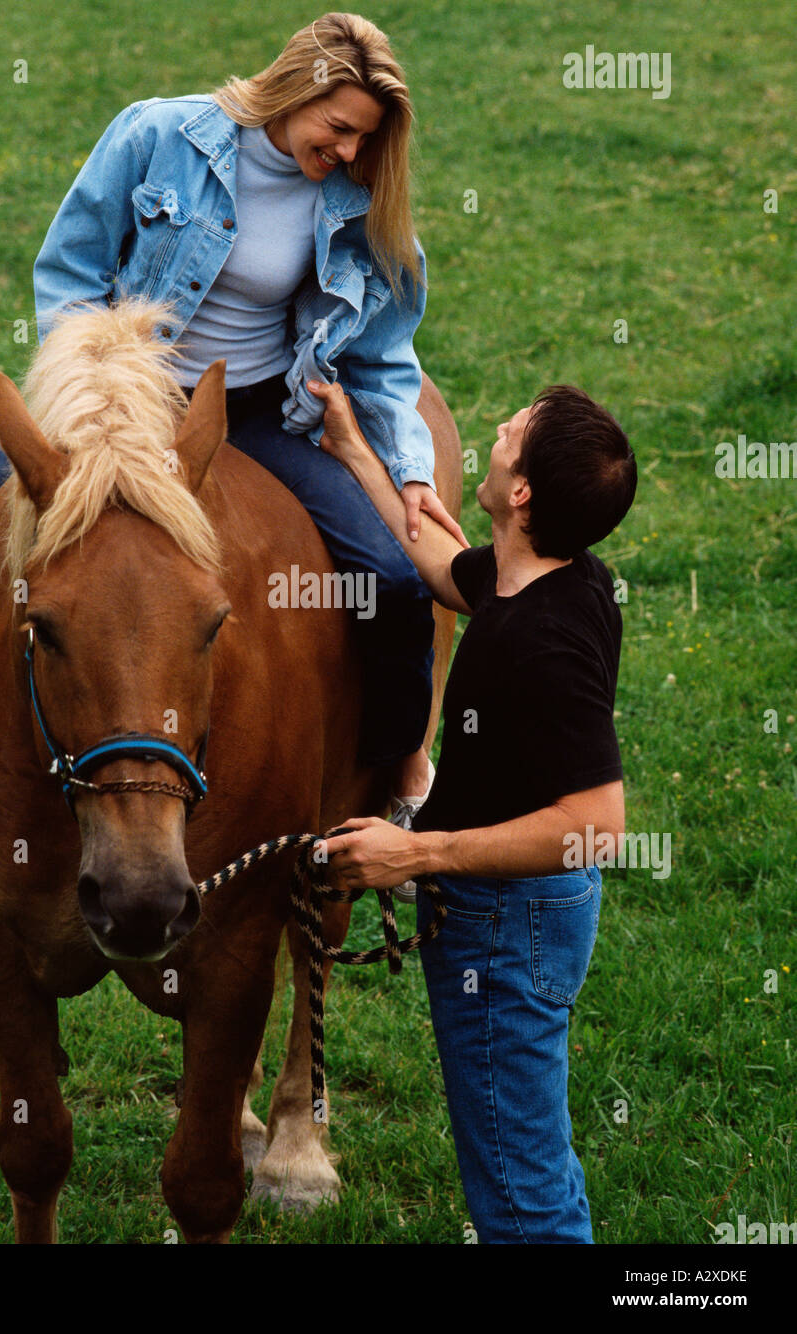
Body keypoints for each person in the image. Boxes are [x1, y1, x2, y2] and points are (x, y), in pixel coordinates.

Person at [0, 12, 467, 844]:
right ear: (297, 90)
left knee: (390, 587)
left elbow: (389, 358)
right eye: (341, 128)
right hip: (121, 412)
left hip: (257, 415)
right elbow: (69, 270)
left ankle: (398, 763)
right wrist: (95, 396)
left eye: (366, 139)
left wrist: (413, 472)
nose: (351, 152)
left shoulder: (356, 200)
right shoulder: (157, 134)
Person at [314, 377, 637, 1243]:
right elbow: (438, 566)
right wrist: (352, 448)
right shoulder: (543, 577)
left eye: (514, 432)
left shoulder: (547, 640)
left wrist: (417, 854)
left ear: (522, 493)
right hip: (510, 919)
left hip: (508, 928)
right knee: (523, 1160)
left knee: (521, 1195)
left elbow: (597, 825)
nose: (497, 428)